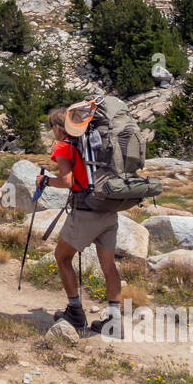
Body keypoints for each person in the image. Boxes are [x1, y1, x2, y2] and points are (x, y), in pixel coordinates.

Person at [38, 106, 123, 334]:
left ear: (59, 127)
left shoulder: (64, 146)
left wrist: (45, 181)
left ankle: (75, 312)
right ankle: (114, 321)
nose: (52, 132)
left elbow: (67, 181)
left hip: (86, 211)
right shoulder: (95, 145)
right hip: (108, 207)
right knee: (108, 265)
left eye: (51, 127)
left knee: (62, 257)